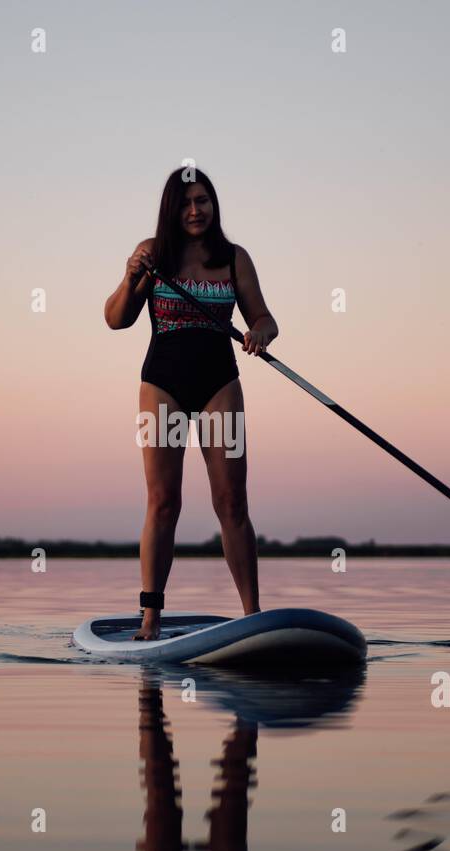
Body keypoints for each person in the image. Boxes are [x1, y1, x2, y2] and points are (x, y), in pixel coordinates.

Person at [104, 169, 280, 640]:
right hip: (162, 384)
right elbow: (116, 319)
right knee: (163, 502)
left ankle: (253, 618)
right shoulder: (155, 254)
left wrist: (260, 331)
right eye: (185, 203)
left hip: (219, 384)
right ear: (172, 209)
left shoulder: (233, 258)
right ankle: (151, 617)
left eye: (203, 201)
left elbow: (263, 316)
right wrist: (131, 276)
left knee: (232, 502)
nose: (196, 210)